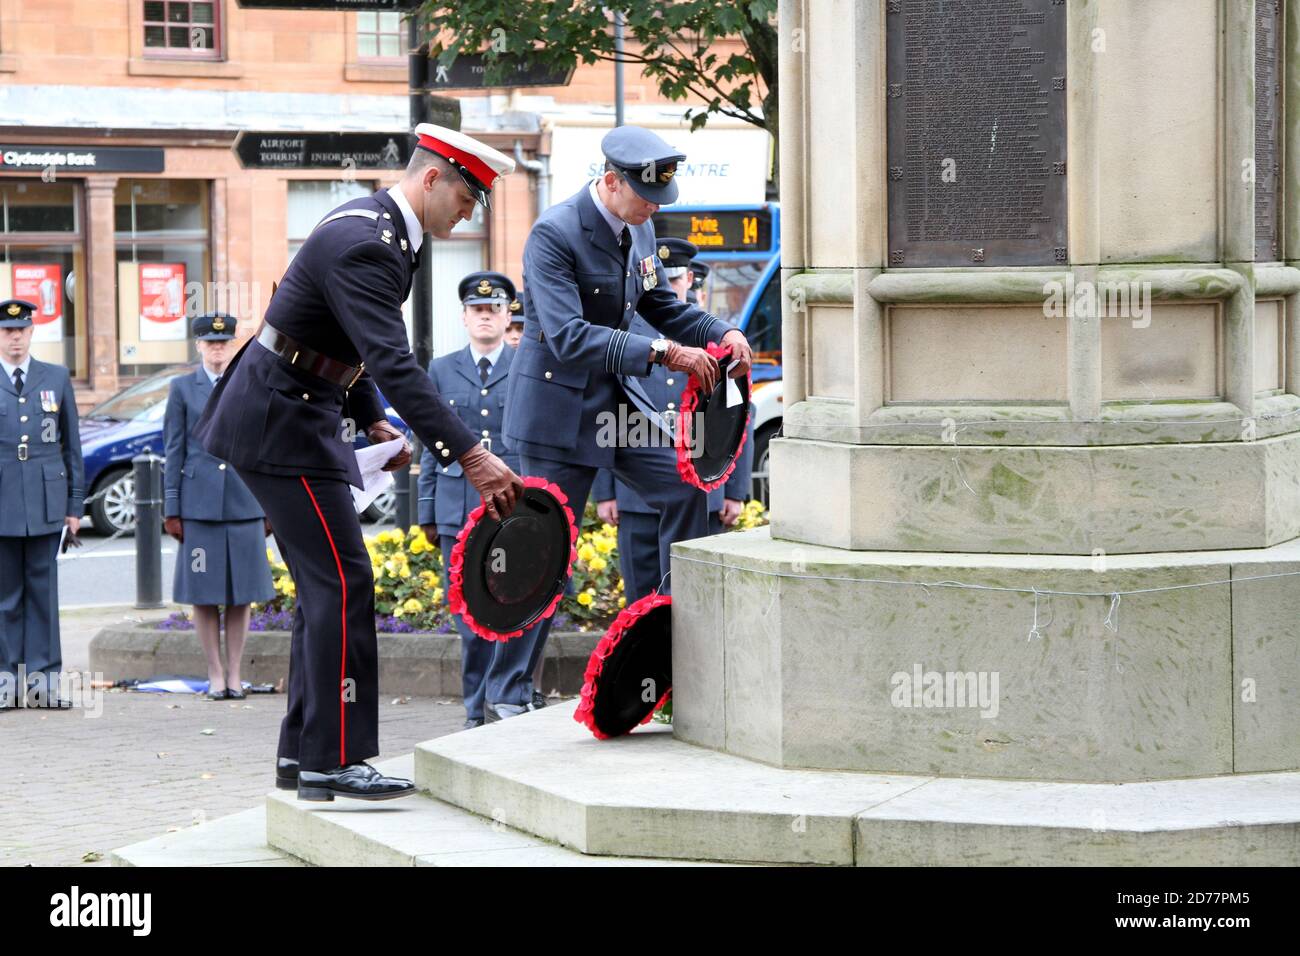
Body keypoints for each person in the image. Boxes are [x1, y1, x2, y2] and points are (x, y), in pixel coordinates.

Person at [195, 124, 524, 801]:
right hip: (283, 423)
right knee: (345, 583)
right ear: (430, 178)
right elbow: (394, 359)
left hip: (294, 410)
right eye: (464, 199)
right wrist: (470, 454)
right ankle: (334, 757)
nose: (467, 216)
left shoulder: (381, 231)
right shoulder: (369, 243)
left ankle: (305, 757)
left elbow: (343, 336)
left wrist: (371, 414)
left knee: (327, 588)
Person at [502, 125, 753, 707]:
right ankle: (507, 691)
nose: (652, 210)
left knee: (687, 487)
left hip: (613, 408)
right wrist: (663, 352)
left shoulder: (637, 228)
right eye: (645, 198)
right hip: (556, 417)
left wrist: (723, 331)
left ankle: (665, 635)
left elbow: (661, 304)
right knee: (545, 555)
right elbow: (566, 336)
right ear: (610, 182)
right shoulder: (554, 233)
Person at [592, 239, 753, 602]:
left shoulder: (714, 335)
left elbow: (737, 416)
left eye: (674, 278)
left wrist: (735, 490)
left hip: (700, 484)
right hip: (635, 493)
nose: (668, 287)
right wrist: (605, 492)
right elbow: (605, 409)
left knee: (695, 593)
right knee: (641, 594)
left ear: (689, 279)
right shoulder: (628, 336)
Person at [417, 271, 541, 726]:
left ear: (509, 315)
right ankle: (475, 711)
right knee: (468, 616)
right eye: (477, 310)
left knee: (510, 606)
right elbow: (432, 444)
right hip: (457, 508)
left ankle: (504, 698)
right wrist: (427, 511)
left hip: (510, 510)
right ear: (464, 317)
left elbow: (531, 443)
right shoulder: (441, 370)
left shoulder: (525, 364)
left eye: (493, 309)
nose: (485, 316)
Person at [163, 312, 275, 701]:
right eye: (210, 342)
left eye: (223, 342)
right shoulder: (181, 389)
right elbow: (174, 449)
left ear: (233, 345)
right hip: (200, 505)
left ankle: (235, 674)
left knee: (242, 593)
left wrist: (269, 505)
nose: (217, 348)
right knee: (204, 593)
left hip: (245, 502)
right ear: (198, 346)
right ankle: (214, 673)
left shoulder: (249, 382)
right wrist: (172, 509)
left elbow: (264, 447)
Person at [0, 298, 84, 712]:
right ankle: (5, 682)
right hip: (2, 504)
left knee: (42, 596)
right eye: (7, 331)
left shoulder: (56, 376)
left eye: (21, 331)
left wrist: (74, 506)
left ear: (32, 333)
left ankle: (43, 683)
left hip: (47, 503)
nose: (15, 338)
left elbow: (73, 448)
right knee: (5, 598)